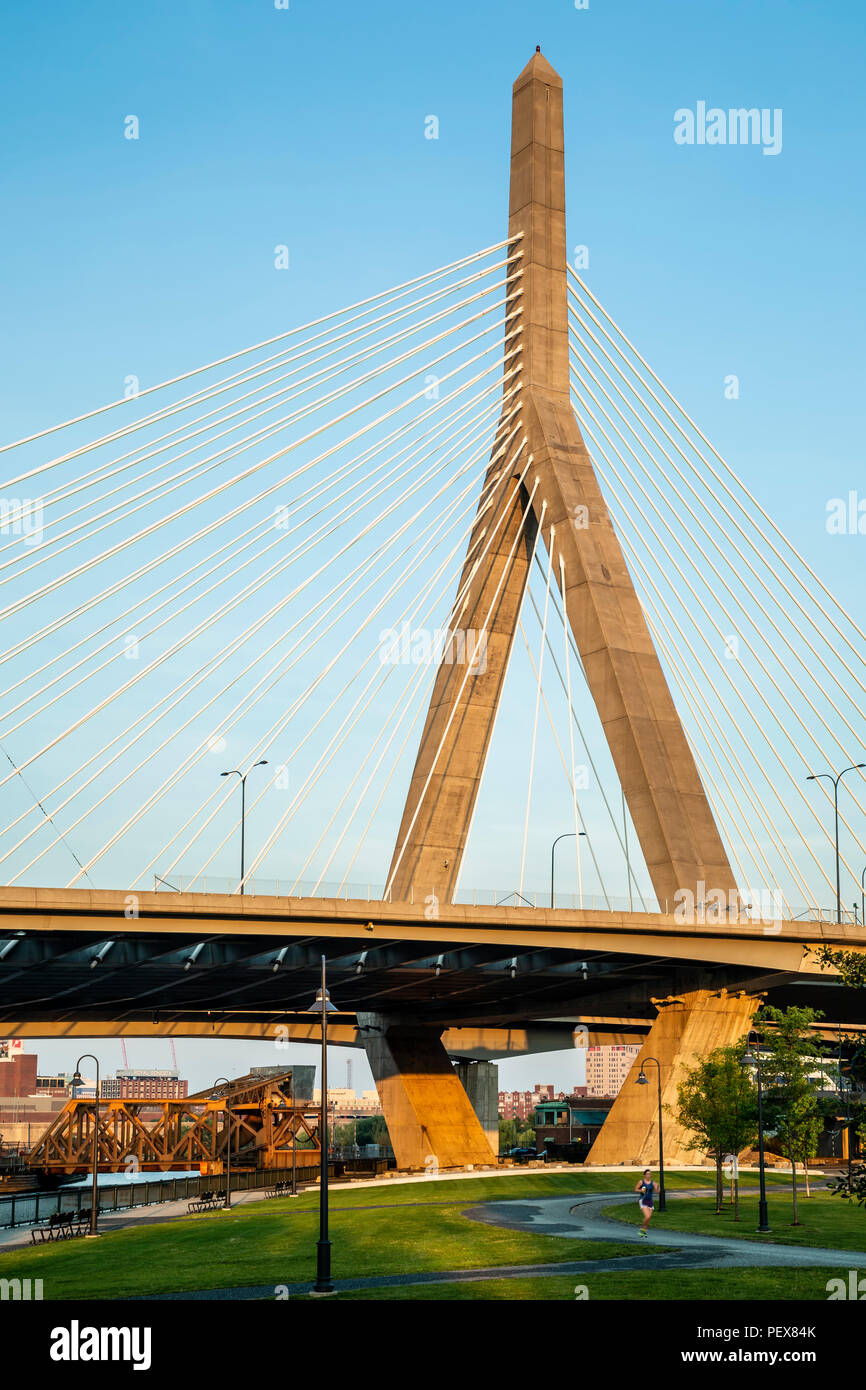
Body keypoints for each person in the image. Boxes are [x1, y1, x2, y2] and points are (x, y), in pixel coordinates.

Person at [635, 1168, 656, 1235]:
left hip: (650, 1201)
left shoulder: (652, 1183)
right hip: (643, 1200)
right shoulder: (641, 1182)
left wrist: (658, 1188)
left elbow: (657, 1190)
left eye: (650, 1174)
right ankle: (641, 1230)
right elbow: (636, 1189)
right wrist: (641, 1190)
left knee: (649, 1218)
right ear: (644, 1175)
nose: (649, 1175)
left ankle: (644, 1231)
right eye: (647, 1174)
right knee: (647, 1216)